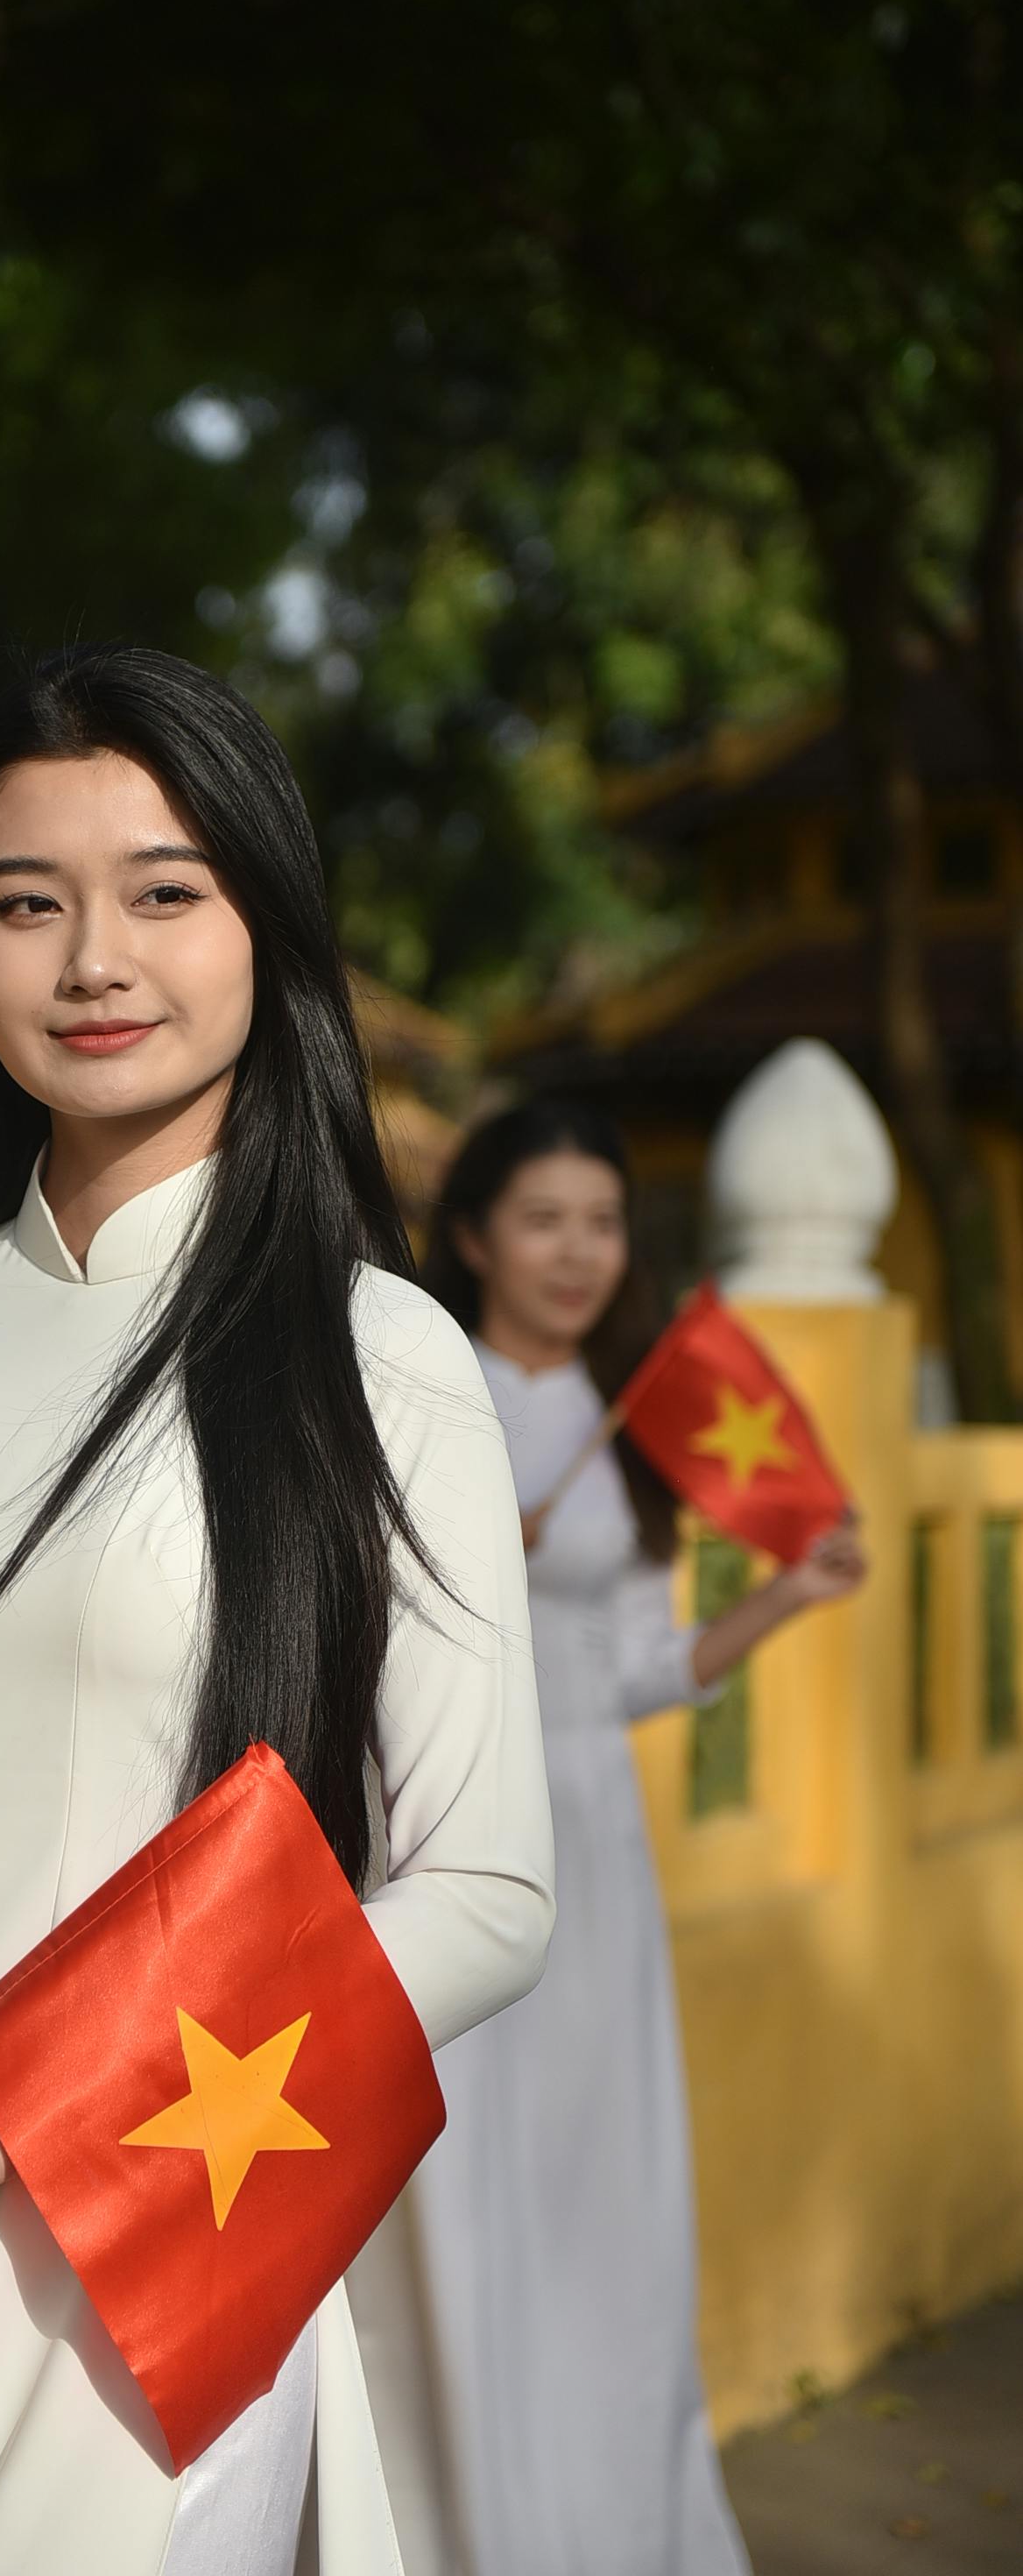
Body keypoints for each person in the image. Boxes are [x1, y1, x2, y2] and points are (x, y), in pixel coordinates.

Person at [0, 644, 555, 2576]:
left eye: (163, 892)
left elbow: (482, 1892)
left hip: (143, 2255)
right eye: (24, 904)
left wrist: (9, 2106)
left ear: (264, 932)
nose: (94, 962)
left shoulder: (373, 1356)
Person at [407, 1098, 866, 2576]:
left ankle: (608, 2526)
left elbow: (634, 1672)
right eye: (543, 1221)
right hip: (437, 1832)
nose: (577, 1253)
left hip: (592, 1842)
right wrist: (471, 1551)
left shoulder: (629, 1423)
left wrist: (787, 1596)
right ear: (473, 1236)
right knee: (453, 2183)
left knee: (599, 2191)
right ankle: (461, 2522)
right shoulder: (414, 1388)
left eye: (601, 1224)